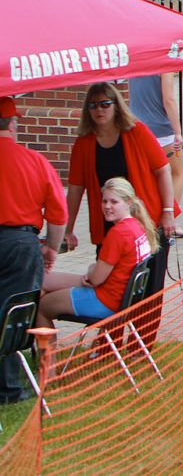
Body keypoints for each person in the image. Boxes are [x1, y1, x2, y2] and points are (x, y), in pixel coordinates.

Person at [65, 83, 177, 342]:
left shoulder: (136, 132)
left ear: (117, 106)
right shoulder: (84, 143)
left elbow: (163, 170)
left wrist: (168, 212)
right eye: (93, 105)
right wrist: (68, 229)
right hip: (107, 225)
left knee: (148, 288)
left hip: (147, 224)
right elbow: (75, 189)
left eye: (105, 104)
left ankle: (141, 346)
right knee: (108, 287)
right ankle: (107, 346)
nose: (99, 110)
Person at [0, 96, 66, 403]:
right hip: (21, 245)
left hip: (17, 242)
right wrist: (51, 248)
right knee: (13, 312)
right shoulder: (35, 160)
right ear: (13, 125)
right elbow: (58, 214)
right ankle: (10, 388)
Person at [37, 178, 154, 328]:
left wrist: (92, 269)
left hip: (105, 300)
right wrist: (93, 272)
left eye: (114, 202)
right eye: (104, 201)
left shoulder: (118, 233)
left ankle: (46, 351)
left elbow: (96, 279)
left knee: (41, 306)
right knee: (41, 280)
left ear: (129, 202)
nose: (107, 206)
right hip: (121, 298)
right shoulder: (137, 227)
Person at [126, 72, 183, 238]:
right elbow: (168, 100)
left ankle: (143, 222)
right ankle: (169, 221)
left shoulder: (136, 60)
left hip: (137, 127)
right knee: (177, 173)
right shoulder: (165, 67)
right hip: (161, 130)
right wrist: (178, 131)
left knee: (146, 177)